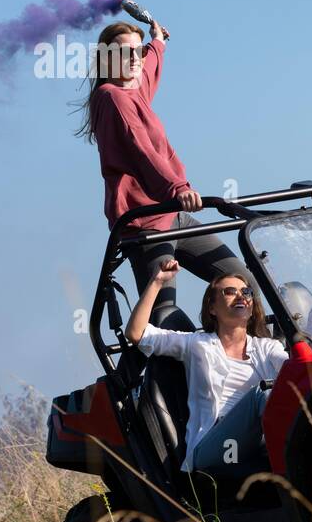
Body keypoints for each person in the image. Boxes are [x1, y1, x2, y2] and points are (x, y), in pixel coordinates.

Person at [74, 19, 254, 320]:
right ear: (107, 59)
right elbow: (141, 150)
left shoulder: (134, 90)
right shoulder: (112, 97)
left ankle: (252, 347)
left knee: (245, 285)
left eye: (138, 51)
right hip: (145, 223)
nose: (134, 58)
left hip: (173, 215)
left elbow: (148, 69)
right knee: (164, 316)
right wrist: (177, 188)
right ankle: (177, 350)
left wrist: (157, 42)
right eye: (124, 53)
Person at [125, 260, 288, 472]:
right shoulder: (196, 344)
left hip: (259, 439)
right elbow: (136, 333)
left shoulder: (268, 347)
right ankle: (291, 468)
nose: (241, 296)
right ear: (212, 308)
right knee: (264, 393)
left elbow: (293, 370)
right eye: (230, 292)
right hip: (216, 447)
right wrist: (157, 282)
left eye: (246, 292)